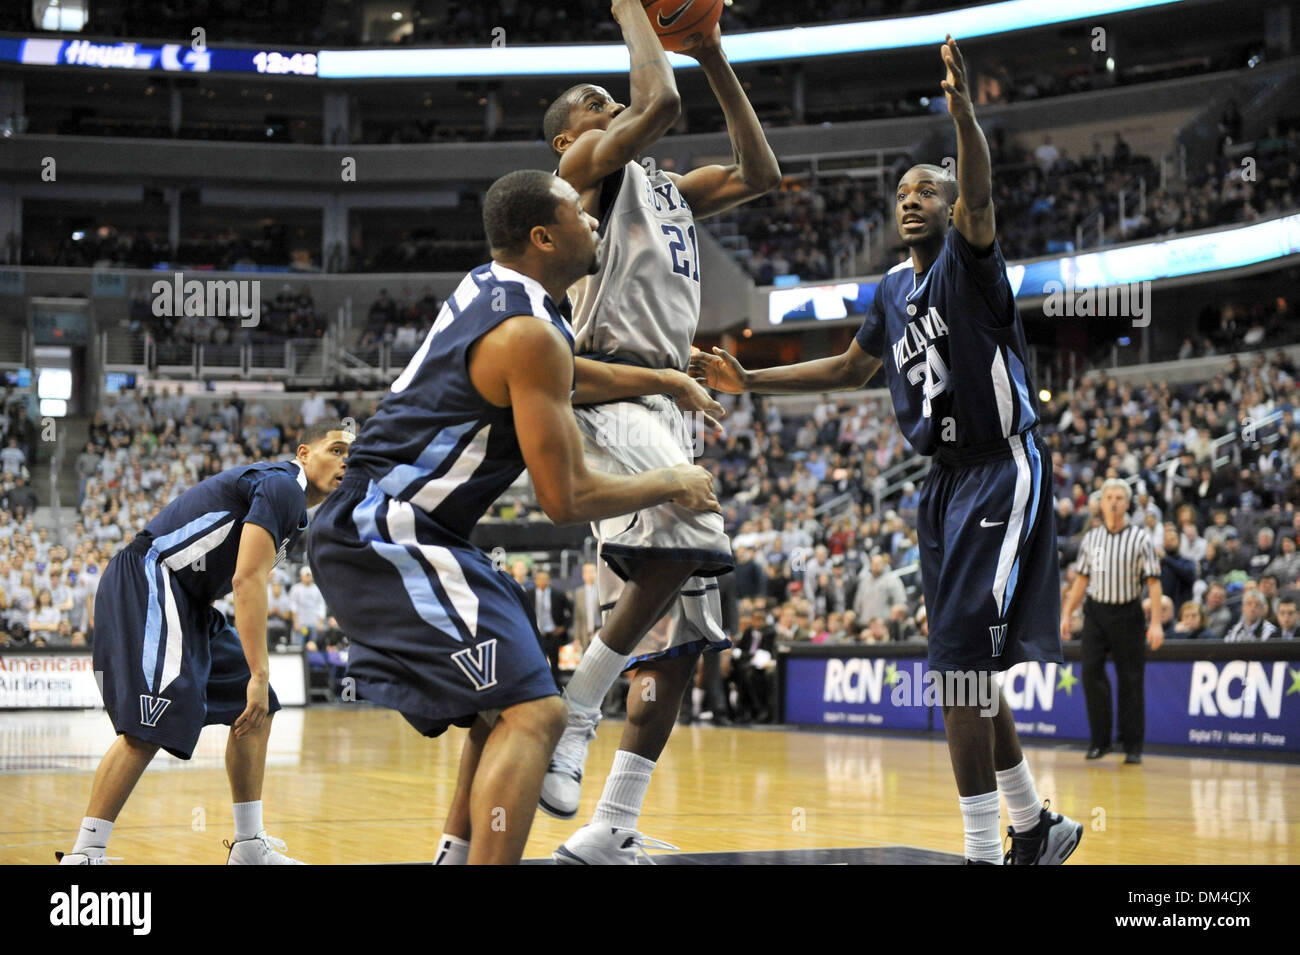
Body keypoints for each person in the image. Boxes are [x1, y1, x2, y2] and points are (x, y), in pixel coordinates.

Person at [691, 36, 1080, 865]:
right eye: (903, 192)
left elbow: (978, 196)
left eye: (927, 192)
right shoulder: (891, 290)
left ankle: (984, 848)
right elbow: (849, 366)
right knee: (962, 666)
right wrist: (749, 380)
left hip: (1001, 466)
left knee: (959, 676)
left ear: (947, 207)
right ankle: (1036, 826)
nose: (913, 200)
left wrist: (966, 119)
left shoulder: (971, 266)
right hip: (940, 483)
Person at [307, 169, 720, 866]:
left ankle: (454, 853)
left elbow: (566, 375)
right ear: (543, 236)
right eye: (580, 218)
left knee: (508, 701)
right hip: (388, 529)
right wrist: (669, 481)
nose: (595, 224)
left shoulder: (498, 292)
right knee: (540, 713)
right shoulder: (529, 330)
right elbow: (568, 500)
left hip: (408, 528)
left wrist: (665, 378)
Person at [537, 5, 780, 864]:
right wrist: (632, 9)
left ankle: (611, 824)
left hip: (672, 402)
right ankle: (576, 708)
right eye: (599, 103)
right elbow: (660, 104)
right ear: (571, 132)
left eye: (613, 102)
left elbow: (760, 168)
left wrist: (713, 51)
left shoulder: (667, 189)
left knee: (681, 645)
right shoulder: (579, 170)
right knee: (684, 540)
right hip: (611, 387)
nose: (614, 108)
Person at [57, 421, 353, 865]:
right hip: (153, 577)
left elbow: (241, 579)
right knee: (148, 722)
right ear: (305, 452)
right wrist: (258, 670)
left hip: (191, 600)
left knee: (257, 707)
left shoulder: (295, 509)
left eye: (353, 454)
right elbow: (247, 580)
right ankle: (85, 854)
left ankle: (250, 847)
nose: (346, 460)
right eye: (337, 448)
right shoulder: (283, 486)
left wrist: (255, 682)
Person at [1060, 479, 1164, 765]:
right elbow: (1082, 579)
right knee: (1091, 672)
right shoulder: (1092, 539)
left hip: (1128, 613)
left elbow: (1154, 583)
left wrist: (1155, 623)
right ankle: (1100, 742)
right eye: (1109, 497)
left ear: (1127, 503)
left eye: (1120, 497)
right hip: (1096, 613)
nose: (1115, 502)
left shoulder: (1140, 539)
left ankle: (1132, 746)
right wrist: (1067, 613)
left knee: (1131, 680)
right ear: (1102, 503)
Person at [528, 568, 571, 683]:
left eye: (545, 579)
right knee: (536, 664)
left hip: (552, 635)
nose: (542, 581)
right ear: (535, 580)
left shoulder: (558, 594)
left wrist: (563, 627)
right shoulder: (528, 594)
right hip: (535, 636)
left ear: (549, 580)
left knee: (555, 665)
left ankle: (557, 689)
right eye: (540, 578)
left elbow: (571, 611)